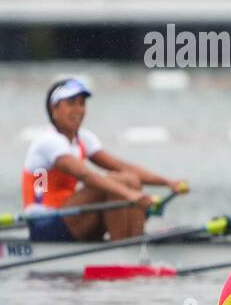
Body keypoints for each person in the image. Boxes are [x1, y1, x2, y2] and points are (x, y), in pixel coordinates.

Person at [21, 77, 187, 241]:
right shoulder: (48, 141)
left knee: (130, 179)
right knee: (122, 183)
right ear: (54, 109)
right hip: (44, 223)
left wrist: (167, 183)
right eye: (71, 103)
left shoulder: (83, 139)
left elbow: (122, 166)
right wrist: (130, 195)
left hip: (71, 218)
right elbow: (86, 176)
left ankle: (132, 245)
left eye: (82, 103)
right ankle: (127, 250)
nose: (78, 109)